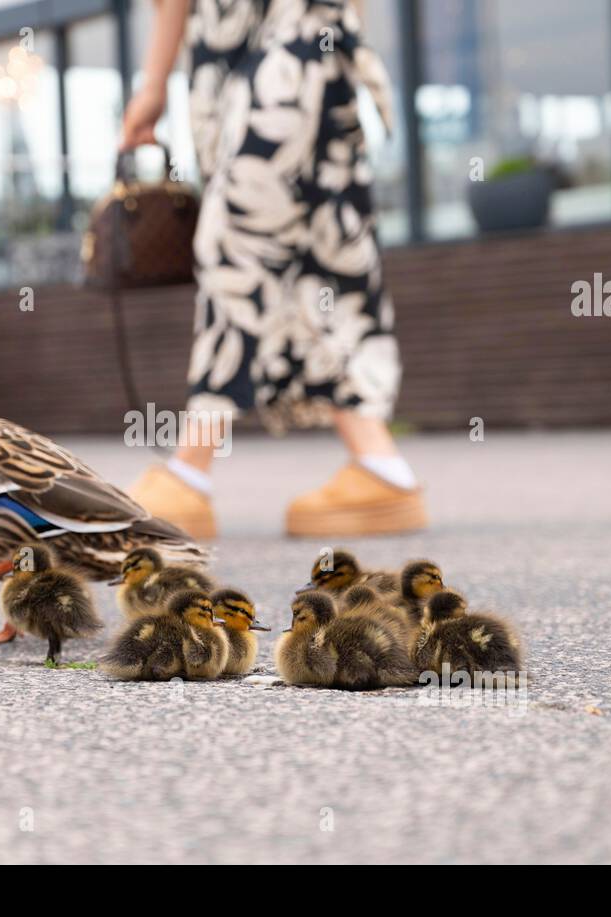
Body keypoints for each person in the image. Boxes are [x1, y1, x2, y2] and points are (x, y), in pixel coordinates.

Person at [120, 0, 425, 540]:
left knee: (237, 241)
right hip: (303, 47)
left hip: (281, 55)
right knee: (320, 250)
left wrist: (152, 86)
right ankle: (380, 465)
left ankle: (190, 468)